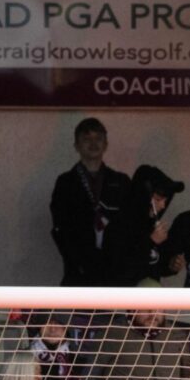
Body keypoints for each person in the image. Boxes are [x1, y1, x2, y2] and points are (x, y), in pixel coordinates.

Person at [49, 117, 133, 287]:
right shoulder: (66, 182)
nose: (93, 144)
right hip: (78, 269)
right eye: (86, 139)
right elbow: (61, 226)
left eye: (98, 138)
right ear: (76, 146)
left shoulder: (121, 181)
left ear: (106, 144)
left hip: (115, 270)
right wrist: (78, 261)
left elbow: (129, 223)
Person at [109, 164, 185, 284]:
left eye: (166, 200)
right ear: (142, 196)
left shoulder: (152, 226)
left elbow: (154, 266)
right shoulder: (119, 226)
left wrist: (171, 265)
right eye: (158, 199)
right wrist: (150, 241)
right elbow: (119, 270)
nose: (163, 206)